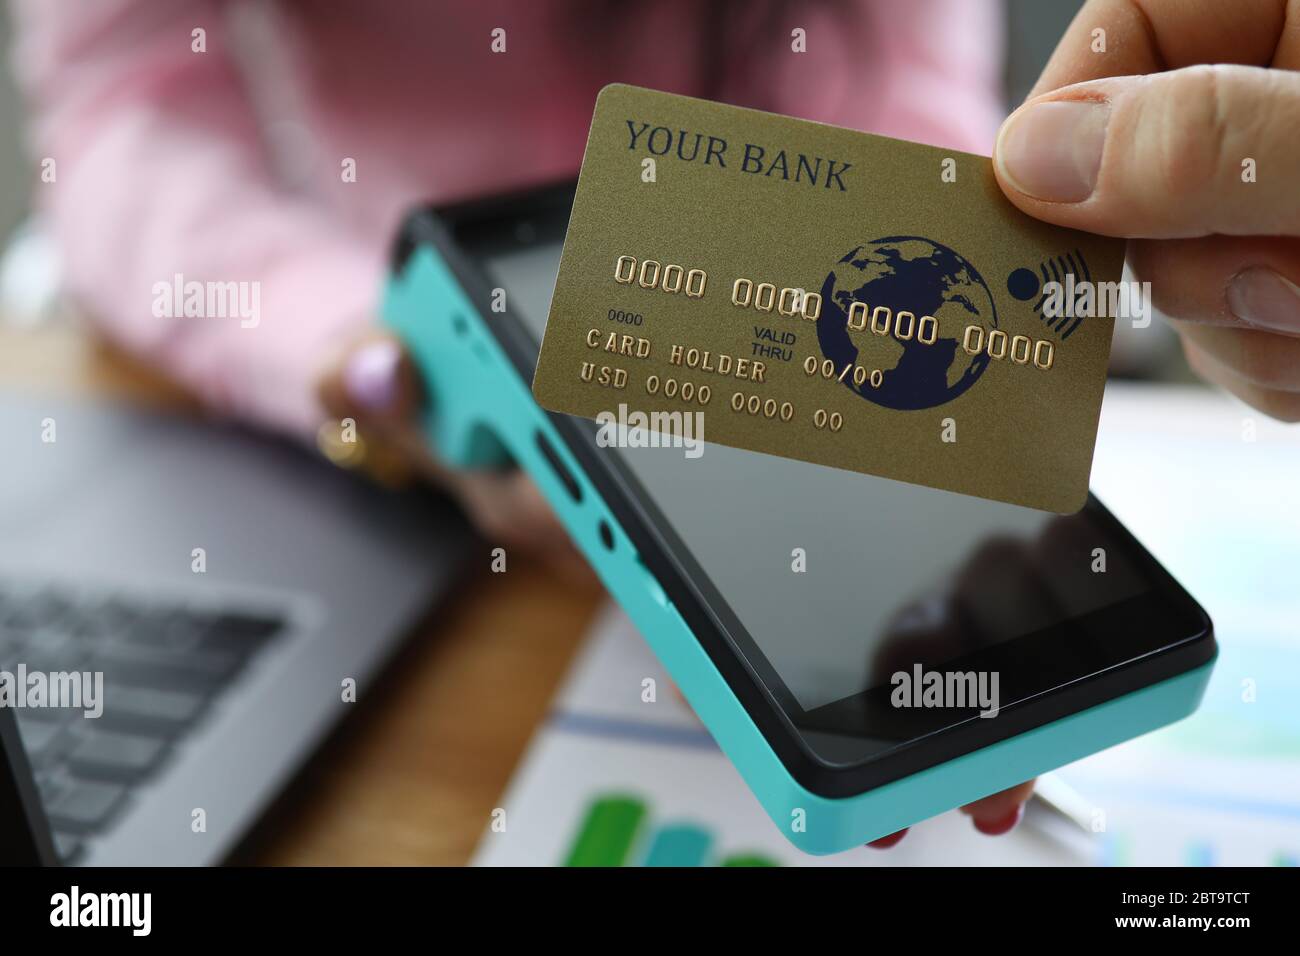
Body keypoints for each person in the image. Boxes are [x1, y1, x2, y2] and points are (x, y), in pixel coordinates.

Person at [10, 0, 1292, 849]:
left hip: (786, 346)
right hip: (404, 304)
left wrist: (880, 361)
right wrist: (341, 347)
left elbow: (898, 66)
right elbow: (125, 107)